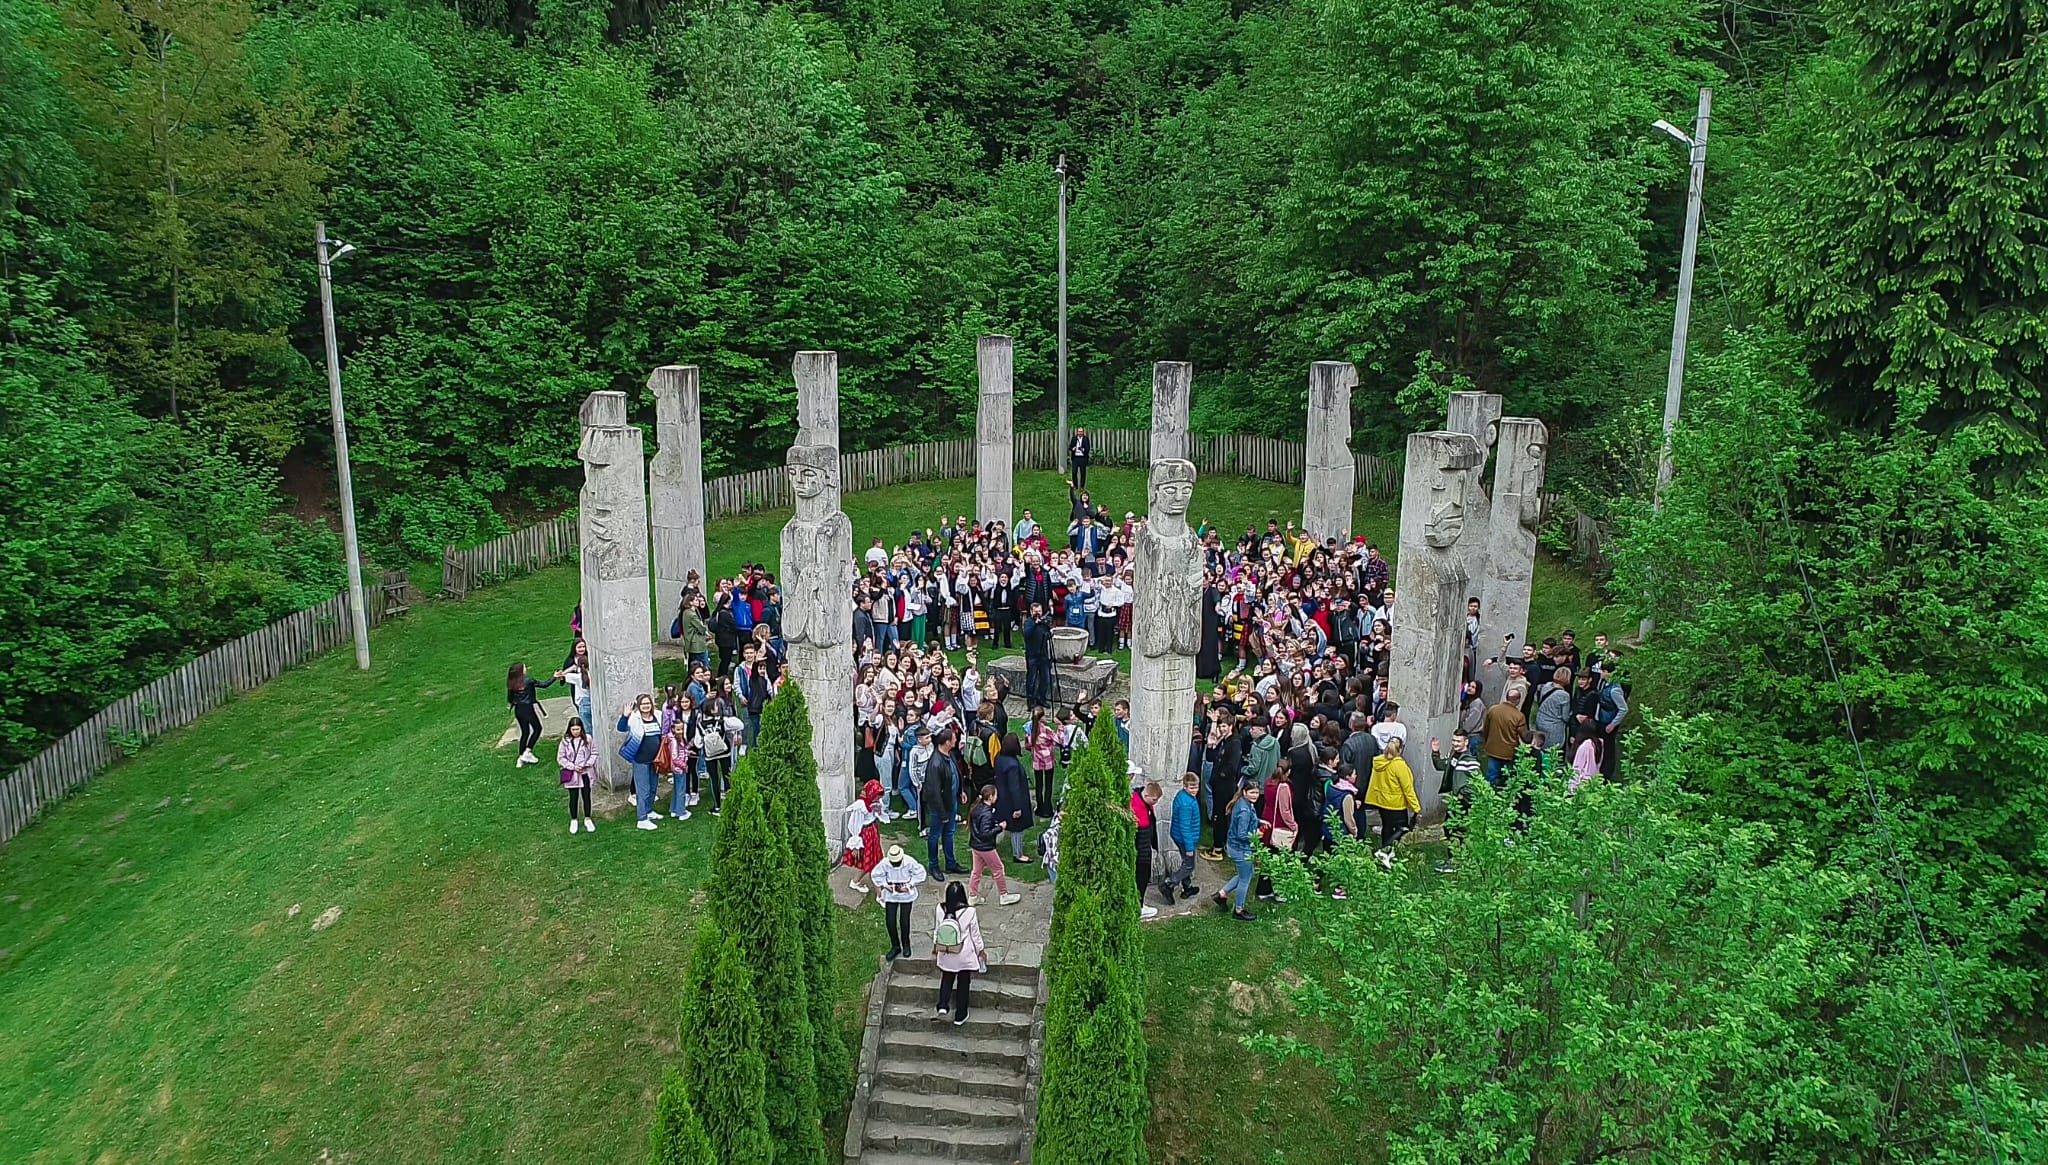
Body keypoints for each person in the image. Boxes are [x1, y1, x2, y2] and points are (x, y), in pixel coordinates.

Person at [932, 880, 987, 1025]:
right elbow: (975, 935)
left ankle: (943, 1005)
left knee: (947, 978)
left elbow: (938, 929)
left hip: (946, 951)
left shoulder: (940, 909)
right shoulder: (969, 912)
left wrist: (935, 947)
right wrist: (980, 950)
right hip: (963, 954)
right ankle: (960, 1015)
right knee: (963, 983)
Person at [1365, 736, 1421, 869]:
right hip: (1396, 804)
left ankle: (1388, 853)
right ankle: (1384, 851)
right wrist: (1416, 807)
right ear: (1400, 750)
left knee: (1387, 827)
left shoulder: (1379, 762)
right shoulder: (1399, 766)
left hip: (1382, 802)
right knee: (1402, 828)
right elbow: (1408, 789)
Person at [967, 783, 1023, 906]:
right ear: (991, 797)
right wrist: (999, 828)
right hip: (985, 847)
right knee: (998, 869)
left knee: (976, 871)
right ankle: (1004, 895)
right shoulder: (987, 813)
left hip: (975, 846)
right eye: (995, 794)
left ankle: (972, 896)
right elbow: (985, 833)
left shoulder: (976, 808)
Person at [1215, 778, 1263, 921]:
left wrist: (1260, 821)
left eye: (1257, 792)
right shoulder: (1244, 810)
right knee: (1245, 879)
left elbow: (1250, 819)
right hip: (1240, 848)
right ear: (1244, 792)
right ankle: (1239, 910)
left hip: (1236, 846)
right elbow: (1241, 834)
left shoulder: (1245, 803)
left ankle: (1222, 894)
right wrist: (1256, 835)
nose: (1255, 795)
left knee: (1247, 873)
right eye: (1252, 792)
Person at [923, 729, 968, 877]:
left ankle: (950, 863)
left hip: (951, 801)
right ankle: (933, 865)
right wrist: (942, 813)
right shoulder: (935, 763)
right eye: (954, 739)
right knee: (935, 836)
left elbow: (956, 774)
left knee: (949, 833)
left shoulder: (950, 755)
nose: (956, 740)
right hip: (940, 807)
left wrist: (960, 791)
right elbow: (934, 791)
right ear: (947, 742)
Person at [618, 694, 665, 829]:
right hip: (640, 760)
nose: (646, 706)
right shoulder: (634, 718)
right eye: (643, 704)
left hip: (655, 760)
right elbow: (621, 728)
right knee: (643, 790)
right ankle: (642, 819)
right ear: (639, 705)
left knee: (653, 787)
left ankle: (649, 811)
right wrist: (625, 716)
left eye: (648, 703)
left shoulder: (658, 715)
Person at [877, 844, 929, 961]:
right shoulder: (885, 863)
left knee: (904, 920)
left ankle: (906, 944)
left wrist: (910, 884)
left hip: (906, 895)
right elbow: (876, 875)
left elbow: (921, 874)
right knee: (890, 921)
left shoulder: (909, 862)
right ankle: (895, 946)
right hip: (891, 895)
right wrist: (886, 885)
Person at [992, 733, 1036, 863]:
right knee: (1017, 828)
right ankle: (1018, 855)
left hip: (1001, 798)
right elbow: (1014, 787)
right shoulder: (1012, 765)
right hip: (1012, 801)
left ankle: (990, 847)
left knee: (1000, 824)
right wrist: (1017, 807)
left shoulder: (999, 758)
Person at [506, 663, 557, 767]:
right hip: (528, 709)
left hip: (518, 710)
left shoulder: (512, 683)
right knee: (537, 728)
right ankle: (527, 752)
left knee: (525, 732)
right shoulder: (528, 681)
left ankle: (520, 758)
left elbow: (510, 699)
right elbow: (544, 685)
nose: (526, 668)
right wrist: (554, 677)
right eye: (524, 667)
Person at [1480, 685, 1530, 787]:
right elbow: (1524, 736)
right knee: (1508, 778)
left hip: (1492, 749)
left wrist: (1486, 742)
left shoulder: (1493, 709)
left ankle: (1488, 796)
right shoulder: (1519, 716)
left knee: (1491, 776)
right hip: (1509, 752)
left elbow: (1486, 729)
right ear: (1518, 701)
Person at [1164, 771, 1203, 900]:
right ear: (1185, 786)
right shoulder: (1187, 804)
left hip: (1179, 835)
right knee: (1189, 865)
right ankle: (1169, 884)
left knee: (1186, 862)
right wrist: (1189, 847)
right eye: (1192, 787)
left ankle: (1187, 888)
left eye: (1196, 787)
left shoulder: (1183, 796)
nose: (1195, 790)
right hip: (1185, 838)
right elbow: (1185, 827)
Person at [653, 705, 696, 822]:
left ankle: (673, 809)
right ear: (673, 729)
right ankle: (681, 812)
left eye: (682, 729)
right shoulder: (674, 741)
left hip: (678, 768)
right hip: (679, 769)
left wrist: (687, 751)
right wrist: (684, 766)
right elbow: (675, 758)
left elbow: (681, 751)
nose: (680, 731)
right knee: (681, 790)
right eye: (678, 729)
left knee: (677, 789)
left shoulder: (677, 740)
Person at [843, 779, 886, 893]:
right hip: (865, 834)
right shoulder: (860, 806)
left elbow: (879, 815)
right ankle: (879, 893)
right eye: (877, 797)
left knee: (874, 859)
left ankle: (856, 881)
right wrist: (856, 845)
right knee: (872, 861)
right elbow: (854, 824)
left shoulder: (875, 802)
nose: (878, 799)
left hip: (873, 832)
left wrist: (878, 810)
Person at [557, 716, 596, 834]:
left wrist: (587, 764)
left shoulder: (588, 739)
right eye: (573, 729)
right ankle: (574, 819)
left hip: (585, 773)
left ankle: (587, 818)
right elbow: (560, 758)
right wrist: (573, 766)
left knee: (586, 796)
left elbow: (594, 753)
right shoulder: (565, 741)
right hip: (572, 774)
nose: (575, 732)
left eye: (577, 729)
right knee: (573, 797)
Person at [1132, 778, 1164, 918]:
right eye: (1154, 800)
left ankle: (1138, 904)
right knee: (1141, 879)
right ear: (1146, 796)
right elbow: (1140, 835)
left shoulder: (1144, 802)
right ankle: (1138, 907)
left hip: (1144, 849)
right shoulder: (1138, 808)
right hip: (1141, 853)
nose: (1155, 803)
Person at [1027, 708, 1060, 816]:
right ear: (1042, 717)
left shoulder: (1029, 729)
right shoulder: (1046, 729)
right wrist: (1060, 728)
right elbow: (1058, 740)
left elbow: (1028, 745)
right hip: (1048, 760)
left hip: (1037, 761)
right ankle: (1047, 808)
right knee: (1048, 784)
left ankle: (1039, 807)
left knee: (1039, 784)